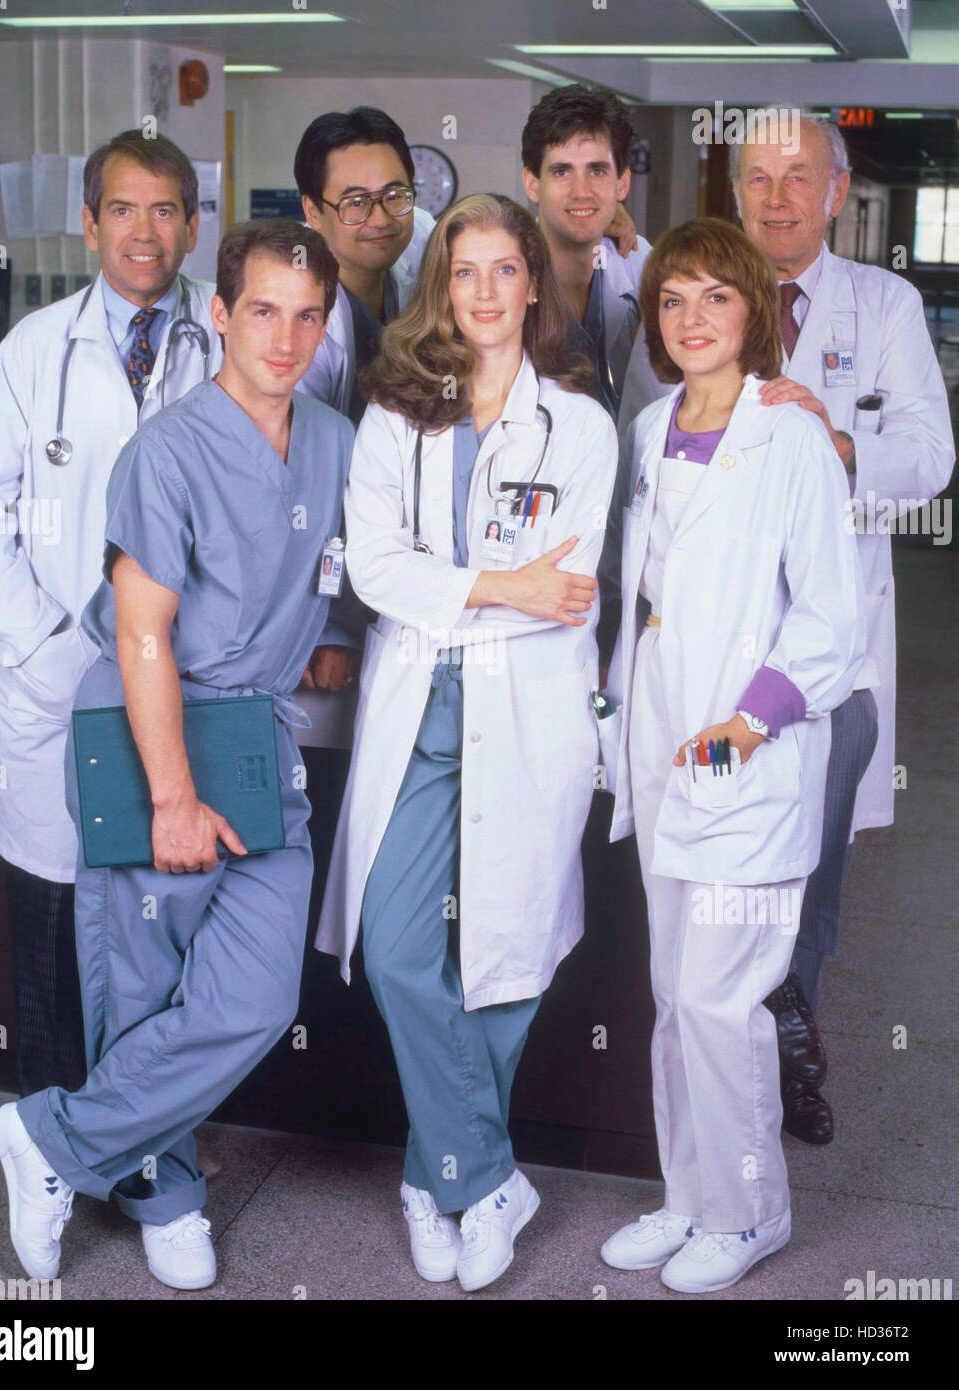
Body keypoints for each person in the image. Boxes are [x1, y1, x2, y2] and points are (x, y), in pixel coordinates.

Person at [0, 219, 357, 1292]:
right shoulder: (170, 448)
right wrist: (171, 796)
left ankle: (50, 1139)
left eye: (304, 315)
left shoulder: (334, 439)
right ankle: (166, 1196)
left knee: (251, 998)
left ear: (324, 323)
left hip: (255, 736)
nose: (282, 339)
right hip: (151, 729)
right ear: (220, 315)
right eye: (260, 312)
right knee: (144, 989)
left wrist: (330, 633)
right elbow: (143, 630)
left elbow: (330, 557)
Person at [316, 194, 618, 1291]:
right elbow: (373, 570)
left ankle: (431, 1175)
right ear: (439, 287)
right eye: (464, 271)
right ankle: (487, 1173)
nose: (484, 291)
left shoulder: (577, 426)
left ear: (532, 285)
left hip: (525, 716)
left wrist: (484, 593)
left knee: (505, 958)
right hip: (415, 717)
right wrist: (500, 584)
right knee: (399, 949)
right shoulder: (400, 414)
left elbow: (569, 592)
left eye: (504, 270)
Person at [598, 218, 863, 1292]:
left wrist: (748, 722)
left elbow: (831, 619)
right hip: (662, 739)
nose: (692, 316)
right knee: (673, 992)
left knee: (720, 998)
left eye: (715, 295)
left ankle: (750, 1208)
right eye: (671, 297)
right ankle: (689, 1195)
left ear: (751, 309)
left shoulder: (788, 434)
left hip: (743, 751)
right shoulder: (652, 425)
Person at [0, 130, 221, 1099]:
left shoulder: (223, 345)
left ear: (191, 223)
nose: (142, 231)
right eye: (121, 208)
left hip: (185, 687)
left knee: (168, 927)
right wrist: (44, 645)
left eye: (162, 210)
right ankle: (54, 1148)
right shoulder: (34, 349)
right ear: (89, 220)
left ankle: (150, 1148)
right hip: (54, 686)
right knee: (54, 940)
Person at [732, 114, 954, 1142]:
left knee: (811, 878)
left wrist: (836, 447)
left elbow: (928, 456)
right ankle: (719, 1061)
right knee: (725, 872)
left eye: (797, 177)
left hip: (835, 662)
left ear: (835, 189)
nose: (775, 197)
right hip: (719, 648)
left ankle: (788, 1062)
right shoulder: (700, 298)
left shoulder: (884, 304)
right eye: (756, 176)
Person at [521, 83, 661, 430]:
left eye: (597, 171)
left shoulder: (640, 261)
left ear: (622, 183)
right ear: (532, 184)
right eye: (562, 171)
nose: (581, 192)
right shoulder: (506, 274)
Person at [295, 106, 428, 424]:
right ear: (313, 212)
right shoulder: (296, 312)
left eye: (395, 194)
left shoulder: (421, 236)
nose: (381, 219)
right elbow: (302, 448)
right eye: (356, 203)